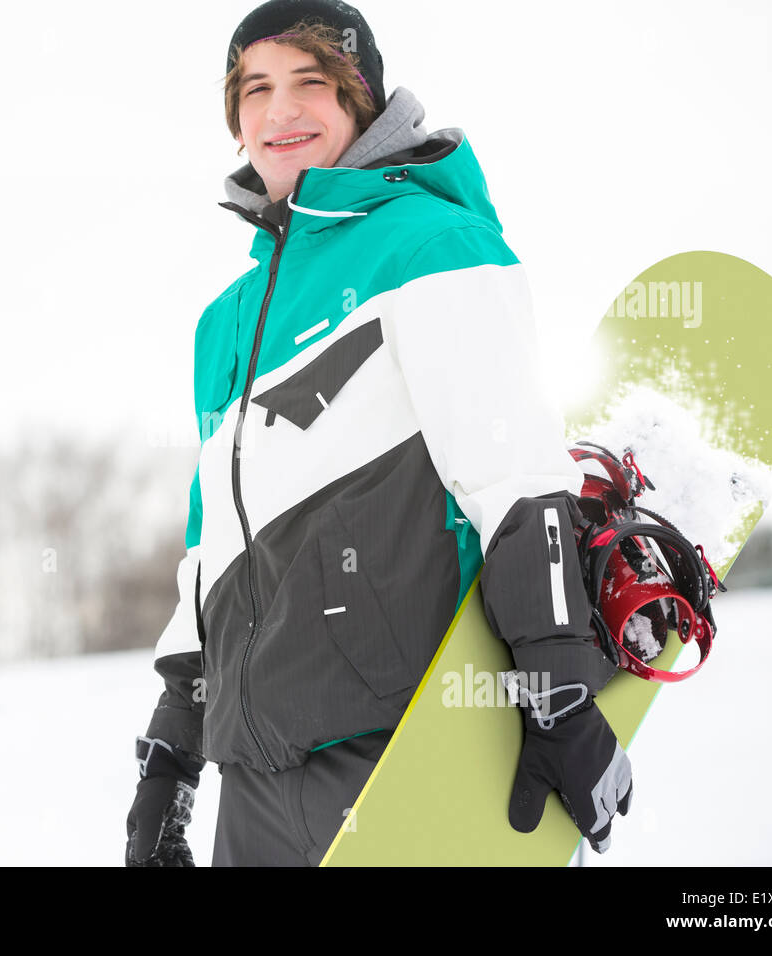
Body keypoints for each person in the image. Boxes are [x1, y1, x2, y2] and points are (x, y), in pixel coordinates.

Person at [125, 0, 632, 867]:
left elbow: (510, 473)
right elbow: (211, 547)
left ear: (361, 99)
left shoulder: (431, 245)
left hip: (405, 750)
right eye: (255, 89)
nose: (279, 112)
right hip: (256, 779)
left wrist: (560, 691)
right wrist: (173, 754)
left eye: (310, 84)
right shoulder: (228, 321)